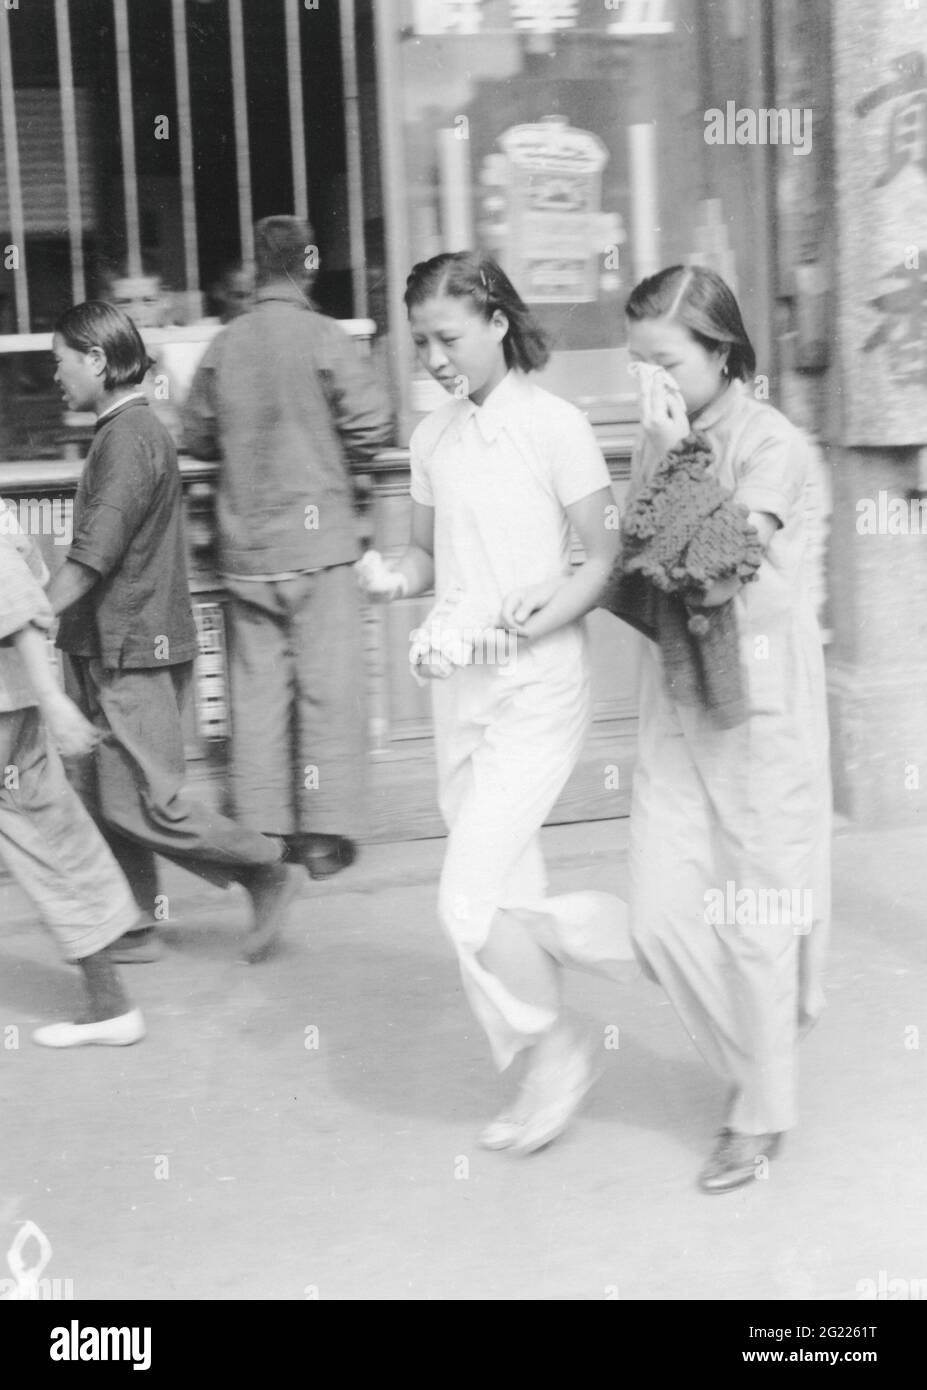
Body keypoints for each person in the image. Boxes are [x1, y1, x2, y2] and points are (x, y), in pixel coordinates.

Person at [357, 251, 636, 1155]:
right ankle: (601, 973)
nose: (434, 357)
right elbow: (429, 561)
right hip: (460, 687)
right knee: (504, 883)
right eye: (421, 342)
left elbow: (602, 559)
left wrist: (529, 623)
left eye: (447, 337)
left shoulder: (555, 426)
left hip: (539, 684)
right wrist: (392, 574)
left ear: (497, 323)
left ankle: (563, 1043)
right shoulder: (431, 441)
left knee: (466, 899)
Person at [615, 264, 831, 1194]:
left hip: (760, 701)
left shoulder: (772, 443)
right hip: (675, 692)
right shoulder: (659, 436)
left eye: (662, 362)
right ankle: (761, 1057)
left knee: (753, 916)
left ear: (719, 351)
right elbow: (635, 561)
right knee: (661, 914)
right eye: (637, 365)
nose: (646, 385)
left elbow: (715, 571)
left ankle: (756, 1110)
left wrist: (673, 463)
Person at [47, 301, 301, 965]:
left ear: (97, 360)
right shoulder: (122, 431)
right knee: (104, 794)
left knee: (146, 804)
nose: (56, 376)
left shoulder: (129, 437)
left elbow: (94, 553)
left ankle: (266, 865)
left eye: (61, 362)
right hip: (109, 641)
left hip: (130, 646)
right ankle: (131, 922)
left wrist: (33, 615)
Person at [182, 216, 395, 880]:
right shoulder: (325, 337)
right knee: (327, 688)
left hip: (249, 547)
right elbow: (370, 423)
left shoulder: (227, 343)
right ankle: (323, 839)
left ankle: (263, 834)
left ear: (255, 267)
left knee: (256, 693)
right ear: (307, 263)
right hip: (321, 540)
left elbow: (195, 433)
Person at [0, 500, 144, 1046]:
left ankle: (111, 1004)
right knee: (51, 833)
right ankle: (110, 1002)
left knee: (49, 833)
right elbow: (34, 584)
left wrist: (53, 700)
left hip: (8, 703)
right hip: (15, 703)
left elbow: (16, 605)